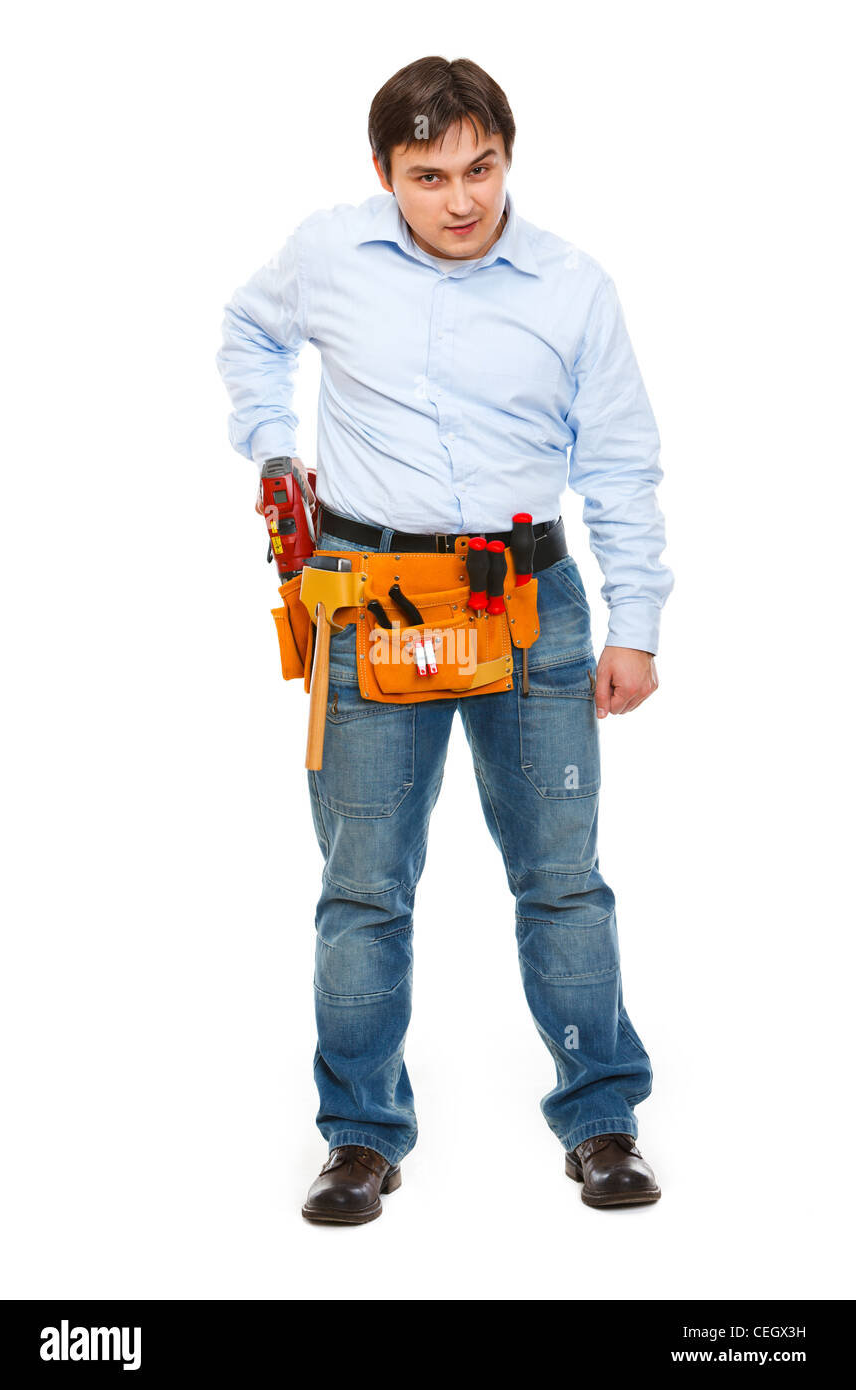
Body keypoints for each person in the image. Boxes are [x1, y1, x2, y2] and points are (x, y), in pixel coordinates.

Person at [216, 55, 674, 1224]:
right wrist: (274, 445)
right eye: (428, 176)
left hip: (530, 613)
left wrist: (637, 623)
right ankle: (360, 1136)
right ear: (383, 174)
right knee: (363, 886)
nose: (460, 199)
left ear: (505, 159)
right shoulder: (325, 254)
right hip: (367, 601)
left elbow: (619, 461)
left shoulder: (572, 286)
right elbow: (247, 332)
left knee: (562, 881)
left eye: (480, 168)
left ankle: (600, 1116)